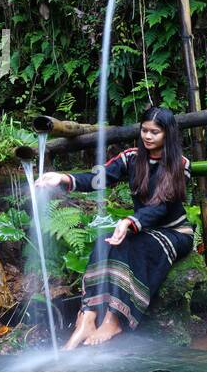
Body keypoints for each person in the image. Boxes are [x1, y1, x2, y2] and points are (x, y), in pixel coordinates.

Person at [35, 105, 194, 348]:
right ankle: (88, 317)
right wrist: (64, 178)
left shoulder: (179, 164)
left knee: (135, 245)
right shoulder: (131, 158)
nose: (148, 137)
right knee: (105, 241)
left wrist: (131, 222)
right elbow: (99, 178)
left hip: (173, 232)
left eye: (155, 132)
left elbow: (162, 206)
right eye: (144, 131)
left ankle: (114, 318)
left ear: (168, 134)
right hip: (141, 228)